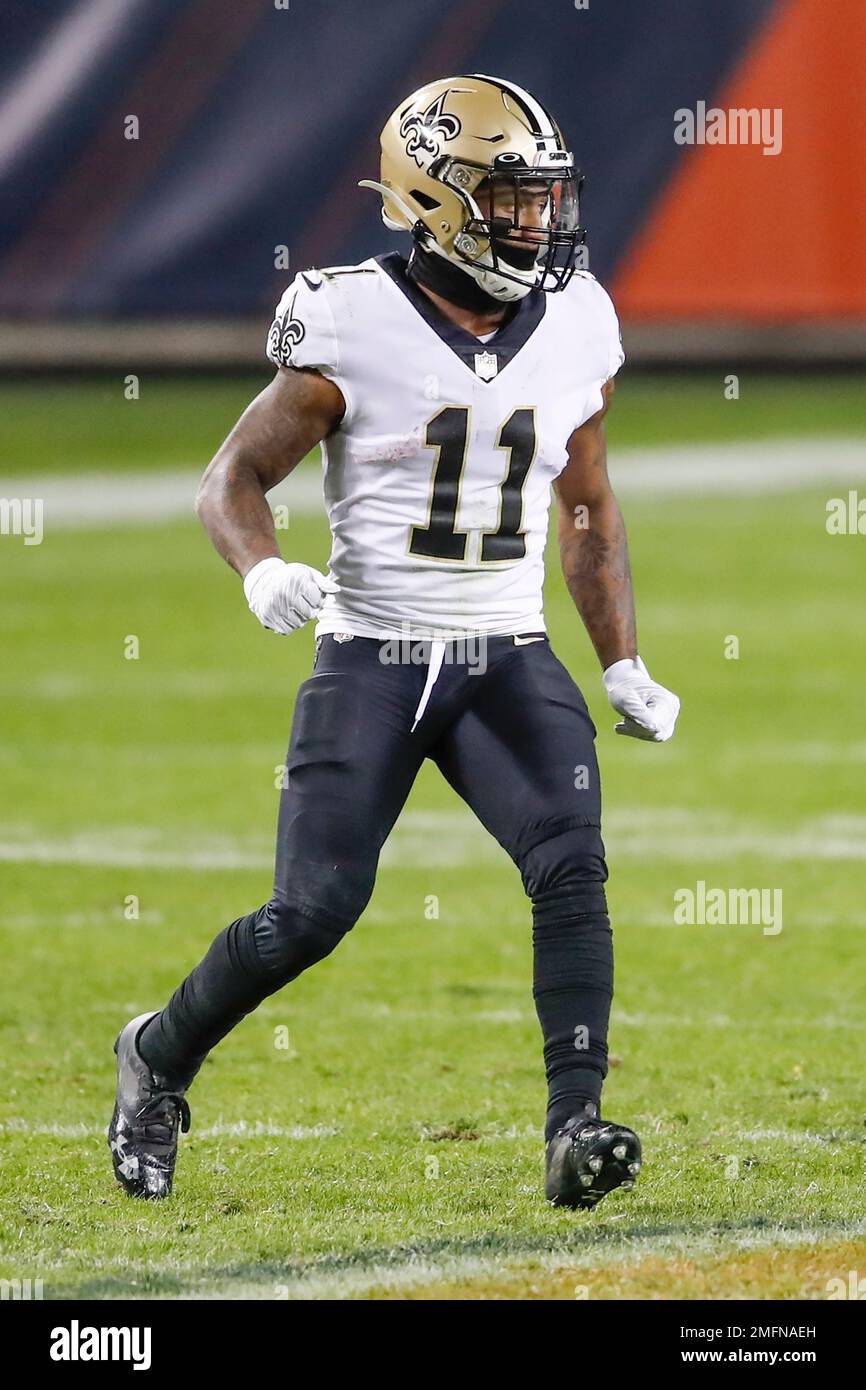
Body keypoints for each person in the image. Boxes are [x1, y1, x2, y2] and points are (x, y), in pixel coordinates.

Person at [108, 74, 680, 1208]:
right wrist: (261, 564)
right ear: (432, 198)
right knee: (309, 914)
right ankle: (156, 1055)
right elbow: (234, 475)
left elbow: (586, 507)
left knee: (570, 870)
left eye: (542, 199)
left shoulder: (575, 320)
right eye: (508, 200)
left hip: (507, 650)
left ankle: (575, 1128)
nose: (537, 223)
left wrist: (618, 658)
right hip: (373, 653)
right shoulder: (350, 317)